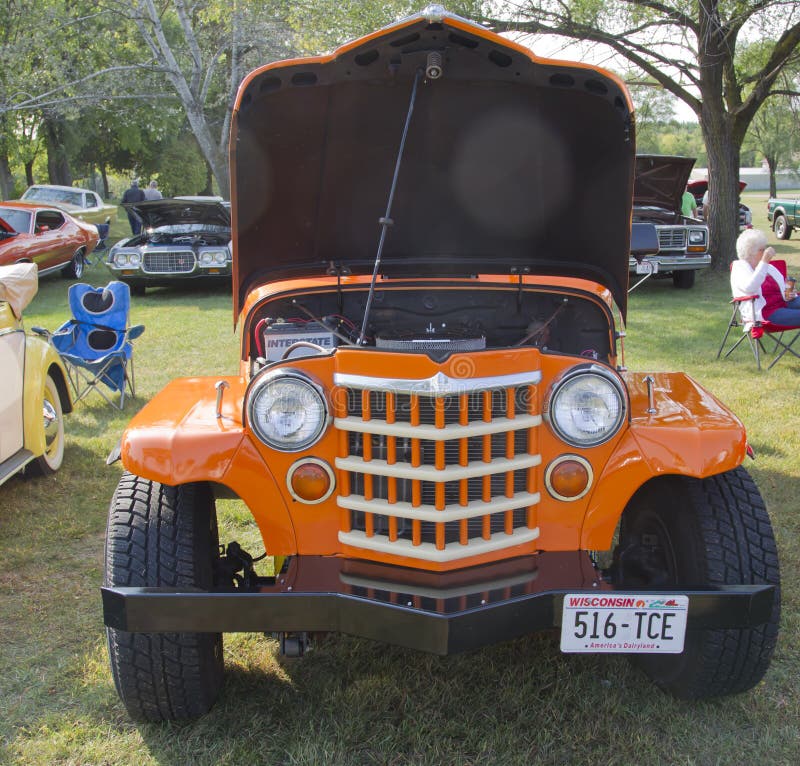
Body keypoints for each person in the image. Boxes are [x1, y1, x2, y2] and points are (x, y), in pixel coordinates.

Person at [731, 228, 800, 328]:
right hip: (766, 311)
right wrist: (764, 262)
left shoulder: (768, 267)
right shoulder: (740, 268)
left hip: (786, 302)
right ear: (750, 252)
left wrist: (790, 292)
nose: (765, 252)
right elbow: (750, 287)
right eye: (762, 250)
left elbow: (783, 288)